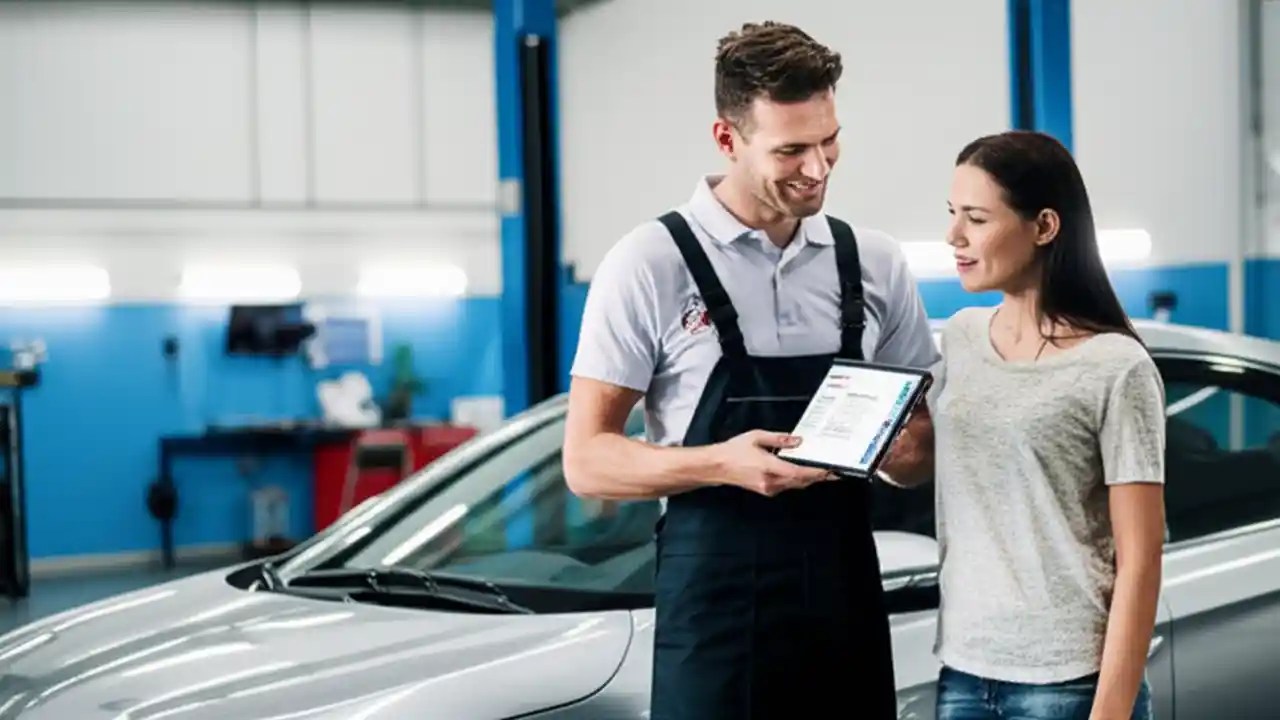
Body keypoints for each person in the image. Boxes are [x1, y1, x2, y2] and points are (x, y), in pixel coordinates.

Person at [561, 20, 939, 720]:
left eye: (829, 141)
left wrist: (902, 446)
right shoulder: (649, 263)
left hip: (845, 602)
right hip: (715, 615)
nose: (818, 168)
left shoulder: (875, 262)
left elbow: (919, 450)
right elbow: (587, 462)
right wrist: (721, 465)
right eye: (791, 150)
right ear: (727, 139)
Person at [882, 130, 1166, 720]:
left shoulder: (1116, 366)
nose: (954, 237)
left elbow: (1141, 560)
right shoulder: (959, 337)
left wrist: (1110, 710)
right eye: (952, 214)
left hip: (1068, 682)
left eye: (977, 219)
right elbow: (927, 466)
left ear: (1044, 227)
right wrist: (867, 445)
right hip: (964, 671)